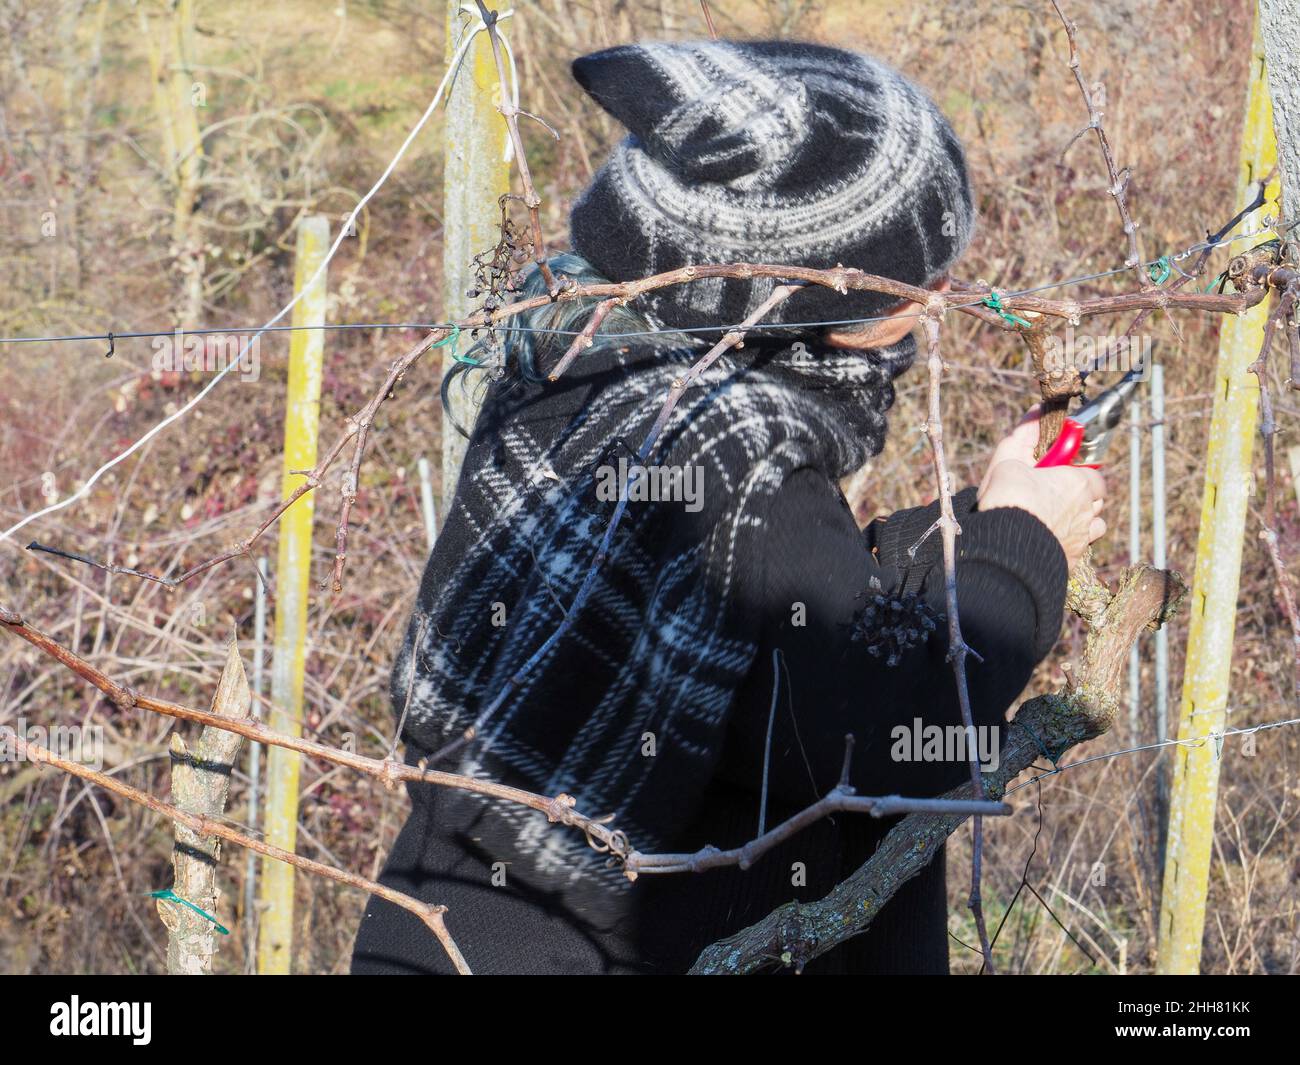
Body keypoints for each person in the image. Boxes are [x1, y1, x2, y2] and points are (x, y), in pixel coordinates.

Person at [351, 39, 1106, 975]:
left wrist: (963, 521)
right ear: (801, 290)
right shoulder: (736, 457)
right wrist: (1025, 542)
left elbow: (754, 619)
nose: (947, 292)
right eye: (921, 274)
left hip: (446, 925)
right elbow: (892, 744)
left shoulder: (587, 351)